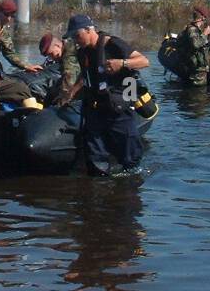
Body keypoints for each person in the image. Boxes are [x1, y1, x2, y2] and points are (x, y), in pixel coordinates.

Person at [62, 14, 150, 176]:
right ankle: (99, 183)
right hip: (95, 107)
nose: (75, 40)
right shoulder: (83, 53)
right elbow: (86, 75)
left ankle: (130, 183)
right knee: (95, 154)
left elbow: (144, 61)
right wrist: (71, 93)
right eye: (72, 37)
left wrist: (122, 63)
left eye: (77, 35)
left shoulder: (112, 44)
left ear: (89, 30)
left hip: (119, 106)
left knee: (129, 155)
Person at [38, 32, 81, 106]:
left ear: (58, 45)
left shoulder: (69, 55)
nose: (52, 58)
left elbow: (69, 81)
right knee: (52, 92)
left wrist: (59, 106)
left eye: (51, 54)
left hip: (86, 79)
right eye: (49, 56)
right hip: (78, 76)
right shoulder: (63, 49)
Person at [177, 4, 210, 86]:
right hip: (196, 68)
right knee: (198, 93)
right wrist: (205, 34)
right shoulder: (192, 29)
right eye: (204, 17)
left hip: (198, 67)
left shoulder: (195, 29)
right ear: (202, 17)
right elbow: (195, 44)